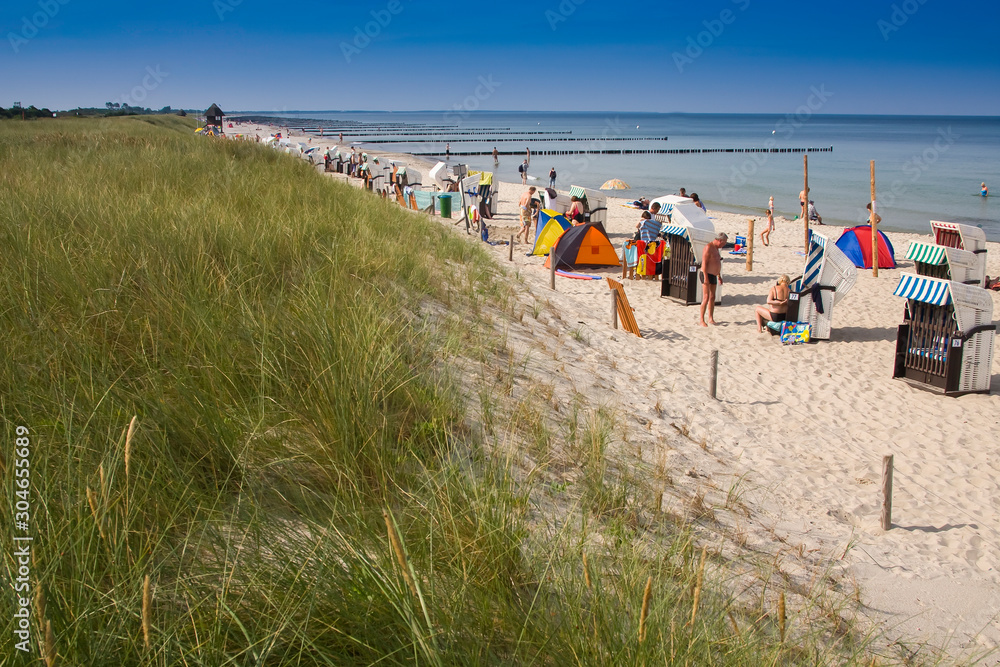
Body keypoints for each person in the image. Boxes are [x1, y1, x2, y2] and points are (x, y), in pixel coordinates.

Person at [699, 233, 727, 327]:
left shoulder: (716, 248)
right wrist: (706, 277)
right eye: (723, 243)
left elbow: (716, 262)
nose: (723, 245)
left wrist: (719, 275)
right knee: (706, 297)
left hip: (714, 275)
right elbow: (704, 263)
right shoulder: (708, 247)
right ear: (719, 240)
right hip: (706, 274)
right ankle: (701, 320)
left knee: (712, 297)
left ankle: (710, 318)